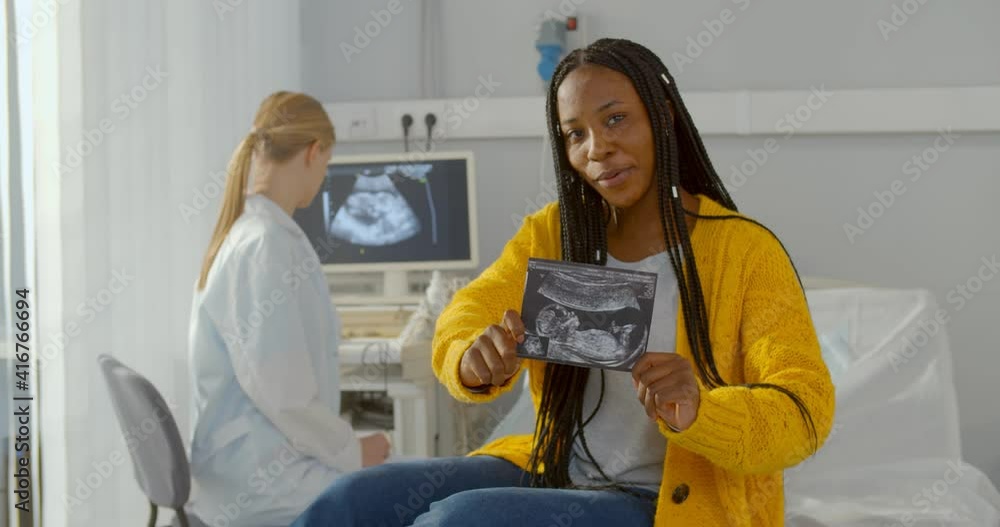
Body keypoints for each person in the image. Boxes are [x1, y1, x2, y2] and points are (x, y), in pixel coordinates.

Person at [293, 38, 835, 526]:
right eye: (575, 134)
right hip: (553, 469)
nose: (596, 148)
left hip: (669, 504)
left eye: (616, 119)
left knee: (459, 523)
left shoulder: (745, 253)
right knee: (349, 502)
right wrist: (471, 353)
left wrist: (702, 407)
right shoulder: (554, 233)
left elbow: (804, 412)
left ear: (663, 117)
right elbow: (467, 310)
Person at [187, 91, 391, 526]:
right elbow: (286, 395)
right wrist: (353, 451)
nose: (322, 178)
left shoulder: (252, 233)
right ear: (314, 153)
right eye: (327, 165)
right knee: (401, 491)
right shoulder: (264, 244)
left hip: (254, 461)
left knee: (397, 473)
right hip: (259, 481)